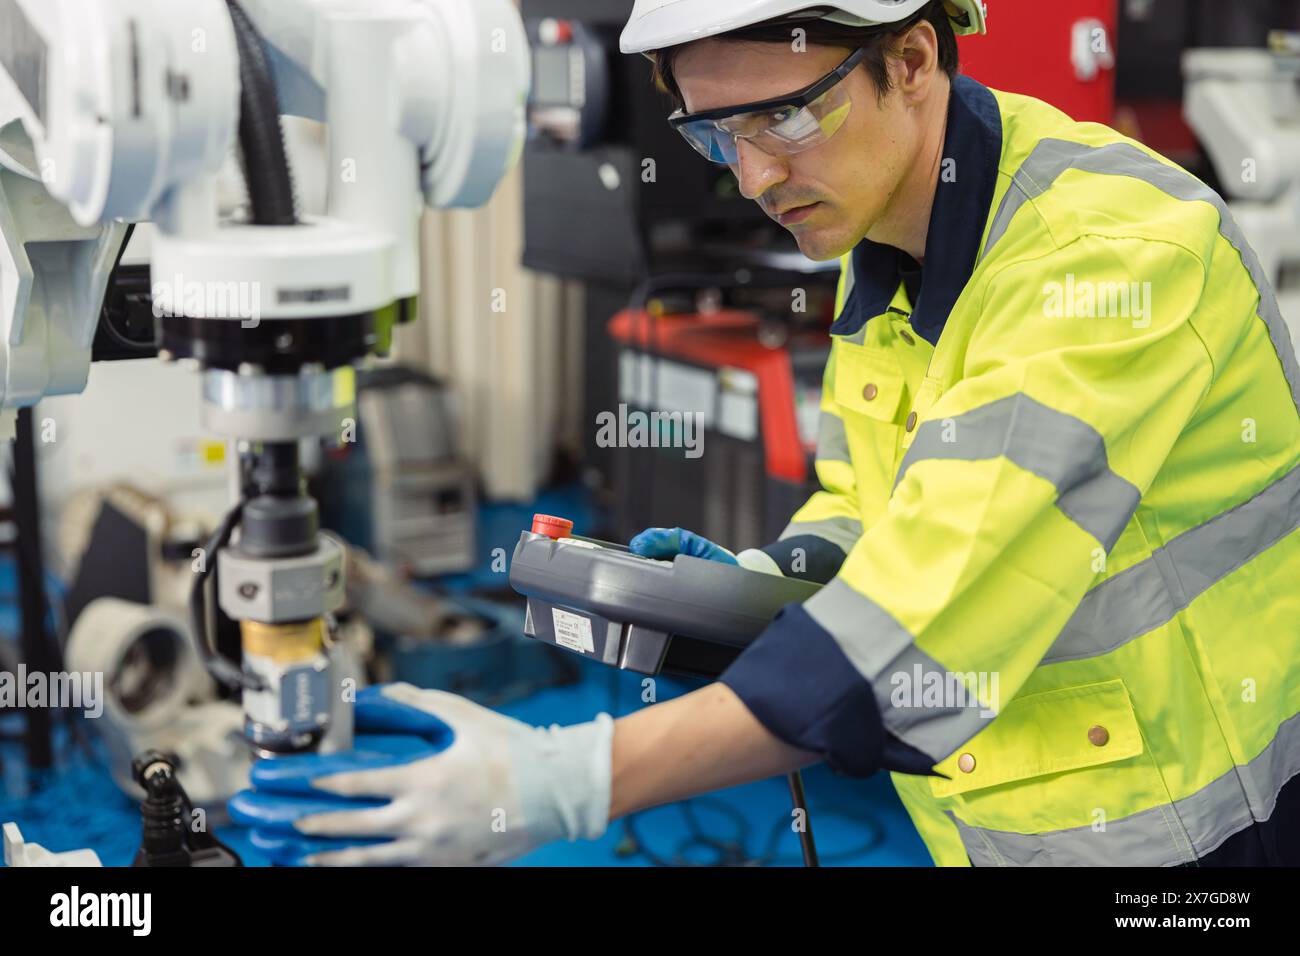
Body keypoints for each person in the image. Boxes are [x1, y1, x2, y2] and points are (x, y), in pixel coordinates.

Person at [230, 0, 1300, 866]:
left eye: (783, 117)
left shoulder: (1104, 258)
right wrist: (767, 571)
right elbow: (874, 505)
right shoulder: (886, 239)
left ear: (914, 56)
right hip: (1017, 819)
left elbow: (919, 632)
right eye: (713, 133)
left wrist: (557, 783)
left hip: (1205, 831)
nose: (752, 177)